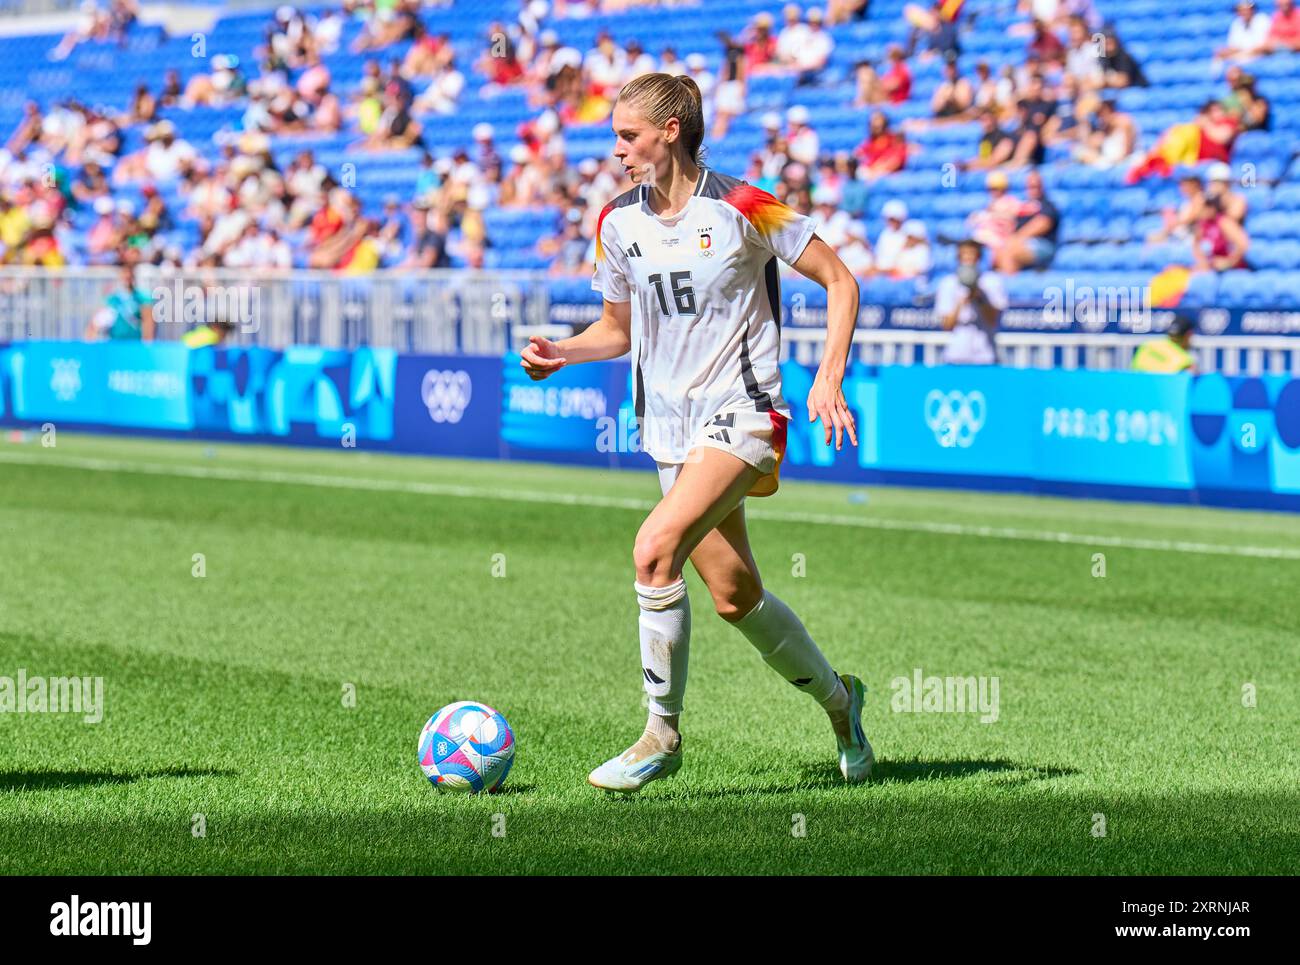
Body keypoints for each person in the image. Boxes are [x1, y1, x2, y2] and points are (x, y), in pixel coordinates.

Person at [520, 72, 873, 793]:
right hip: (668, 430)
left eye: (627, 134)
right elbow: (616, 330)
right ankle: (843, 704)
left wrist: (828, 375)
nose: (616, 148)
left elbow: (839, 278)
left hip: (745, 411)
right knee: (736, 597)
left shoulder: (745, 205)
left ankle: (662, 730)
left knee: (654, 550)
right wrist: (564, 351)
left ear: (671, 130)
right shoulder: (617, 220)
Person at [934, 238, 1006, 364]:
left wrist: (979, 296)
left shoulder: (991, 281)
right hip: (957, 352)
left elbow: (994, 320)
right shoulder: (948, 283)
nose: (968, 259)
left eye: (971, 254)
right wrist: (961, 303)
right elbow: (947, 325)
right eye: (964, 254)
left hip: (985, 352)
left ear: (978, 257)